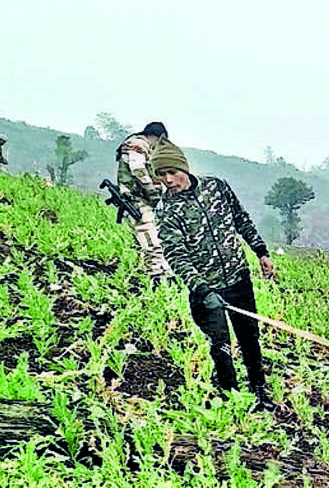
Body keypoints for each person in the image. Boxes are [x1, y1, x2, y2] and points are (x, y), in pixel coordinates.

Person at [153, 139, 276, 410]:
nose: (168, 180)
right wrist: (202, 290)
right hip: (206, 292)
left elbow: (241, 219)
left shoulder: (216, 187)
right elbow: (176, 255)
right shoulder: (165, 210)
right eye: (161, 175)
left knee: (250, 338)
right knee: (221, 347)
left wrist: (261, 252)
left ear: (184, 168)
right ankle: (232, 399)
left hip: (238, 279)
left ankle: (259, 391)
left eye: (172, 172)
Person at [116, 122, 174, 284]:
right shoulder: (137, 144)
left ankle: (152, 273)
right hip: (137, 200)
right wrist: (152, 191)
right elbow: (138, 170)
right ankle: (155, 275)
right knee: (151, 239)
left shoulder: (143, 146)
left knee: (151, 239)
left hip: (143, 200)